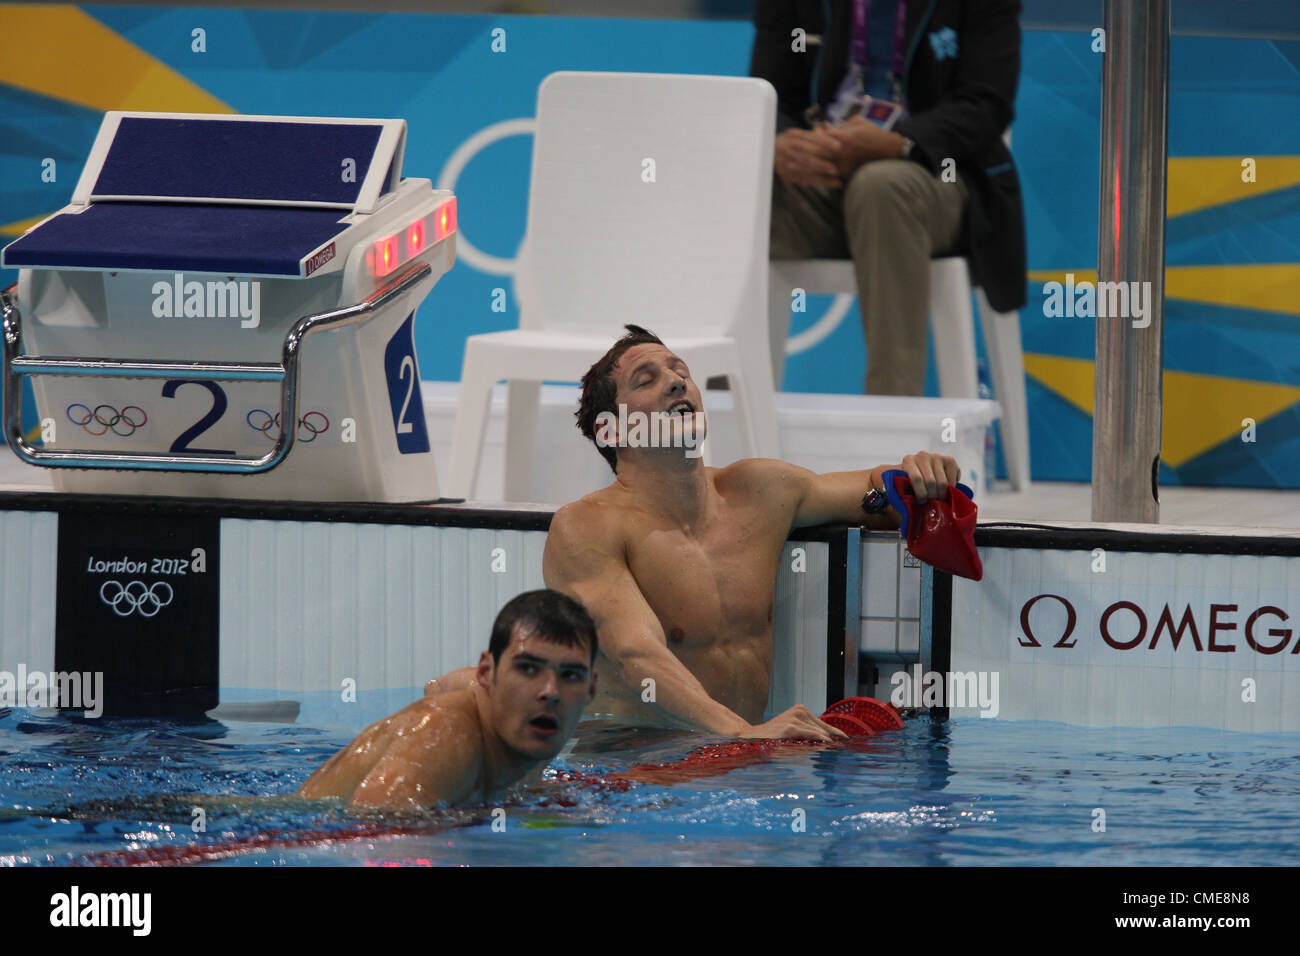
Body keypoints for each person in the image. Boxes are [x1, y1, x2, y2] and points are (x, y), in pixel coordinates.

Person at [530, 325, 959, 740]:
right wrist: (740, 733)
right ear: (612, 429)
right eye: (647, 380)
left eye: (681, 372)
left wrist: (920, 478)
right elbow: (635, 655)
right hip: (633, 763)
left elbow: (874, 492)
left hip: (740, 757)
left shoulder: (759, 492)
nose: (677, 383)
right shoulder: (587, 526)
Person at [750, 0, 1027, 394]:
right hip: (822, 172)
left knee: (882, 187)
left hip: (936, 171)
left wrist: (900, 142)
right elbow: (767, 92)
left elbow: (987, 104)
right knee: (736, 186)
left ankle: (891, 433)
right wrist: (780, 145)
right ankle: (715, 415)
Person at [299, 589, 597, 810]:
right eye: (527, 668)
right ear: (486, 672)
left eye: (570, 675)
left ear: (591, 689)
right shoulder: (442, 736)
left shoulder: (528, 734)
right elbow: (369, 843)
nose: (550, 691)